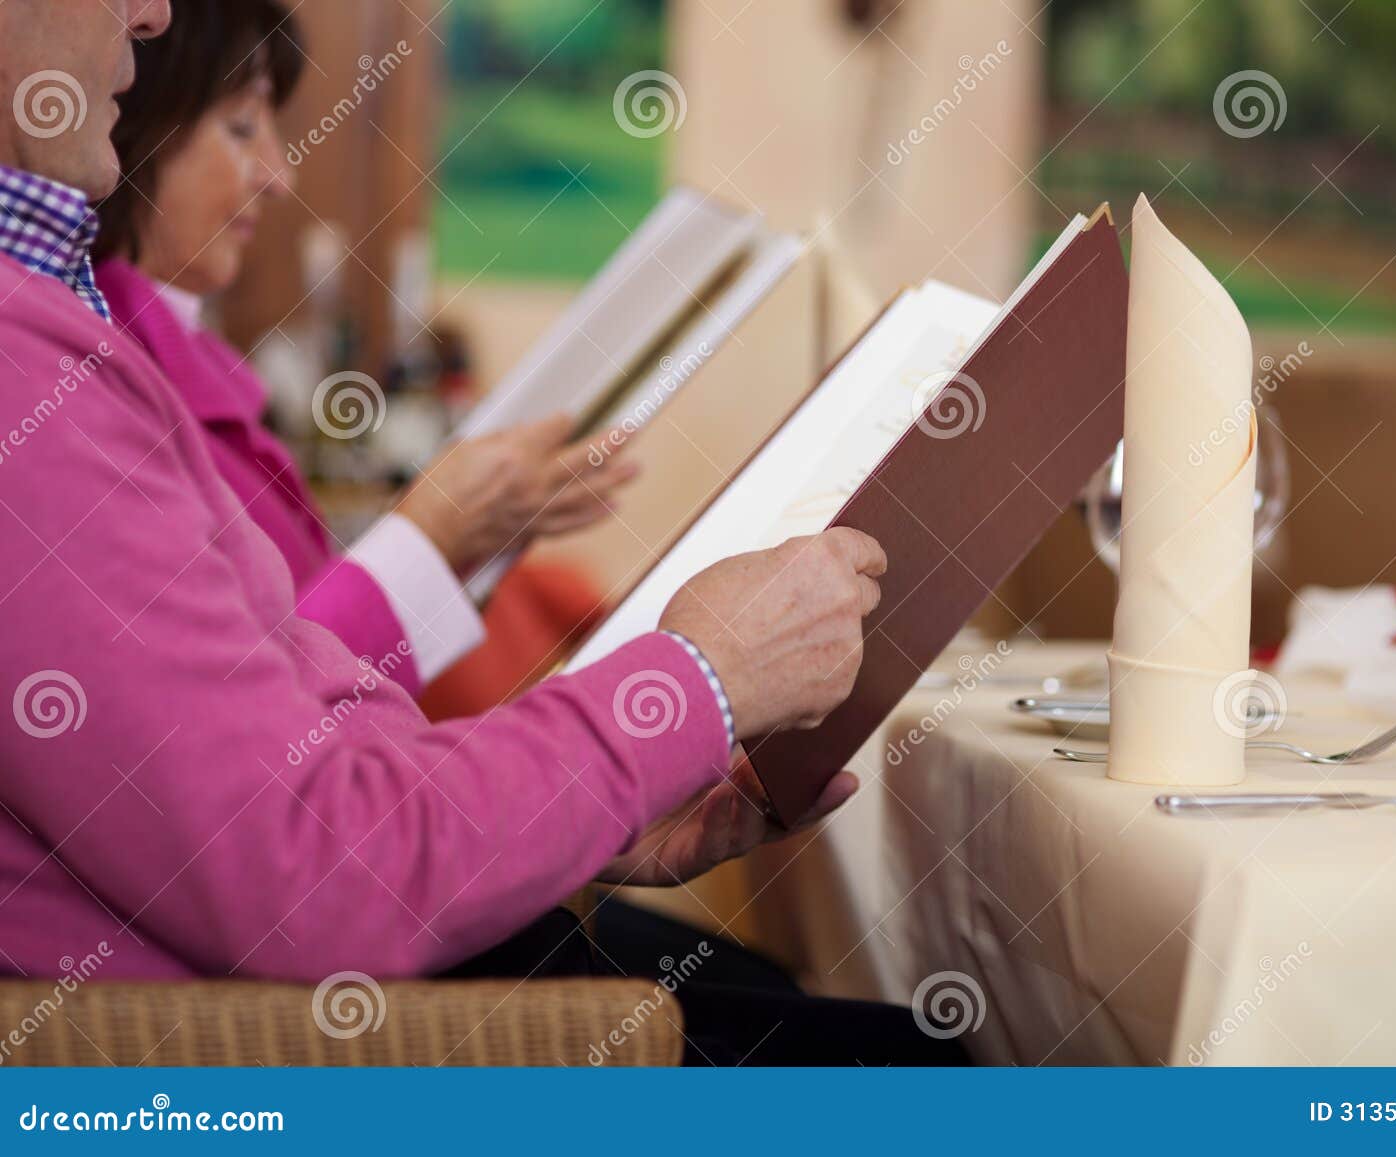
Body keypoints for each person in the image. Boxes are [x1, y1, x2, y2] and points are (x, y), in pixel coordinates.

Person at [0, 0, 963, 1064]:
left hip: (357, 995)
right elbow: (314, 873)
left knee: (892, 1038)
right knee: (947, 1061)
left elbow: (288, 737)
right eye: (238, 126)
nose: (149, 11)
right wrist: (693, 678)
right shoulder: (28, 371)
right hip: (330, 1052)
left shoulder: (60, 336)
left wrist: (585, 804)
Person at [90, 3, 633, 699]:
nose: (278, 175)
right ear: (129, 126)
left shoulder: (188, 362)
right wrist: (430, 531)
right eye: (240, 126)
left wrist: (464, 535)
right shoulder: (107, 382)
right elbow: (243, 699)